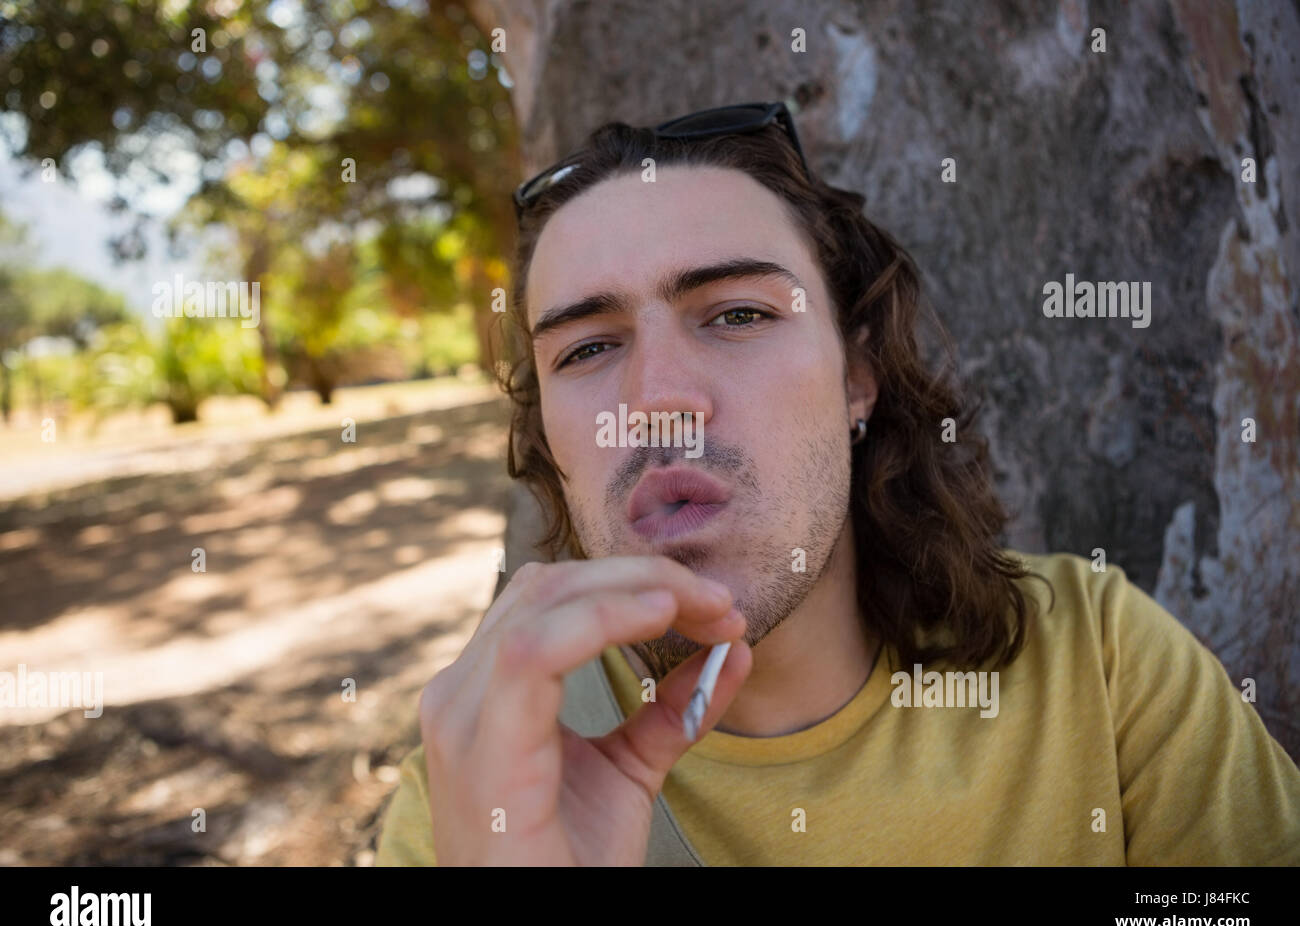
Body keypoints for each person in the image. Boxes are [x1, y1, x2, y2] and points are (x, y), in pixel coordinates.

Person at [375, 102, 1300, 865]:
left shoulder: (1097, 664)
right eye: (585, 348)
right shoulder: (476, 787)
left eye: (738, 313)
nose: (656, 401)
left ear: (858, 377)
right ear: (550, 436)